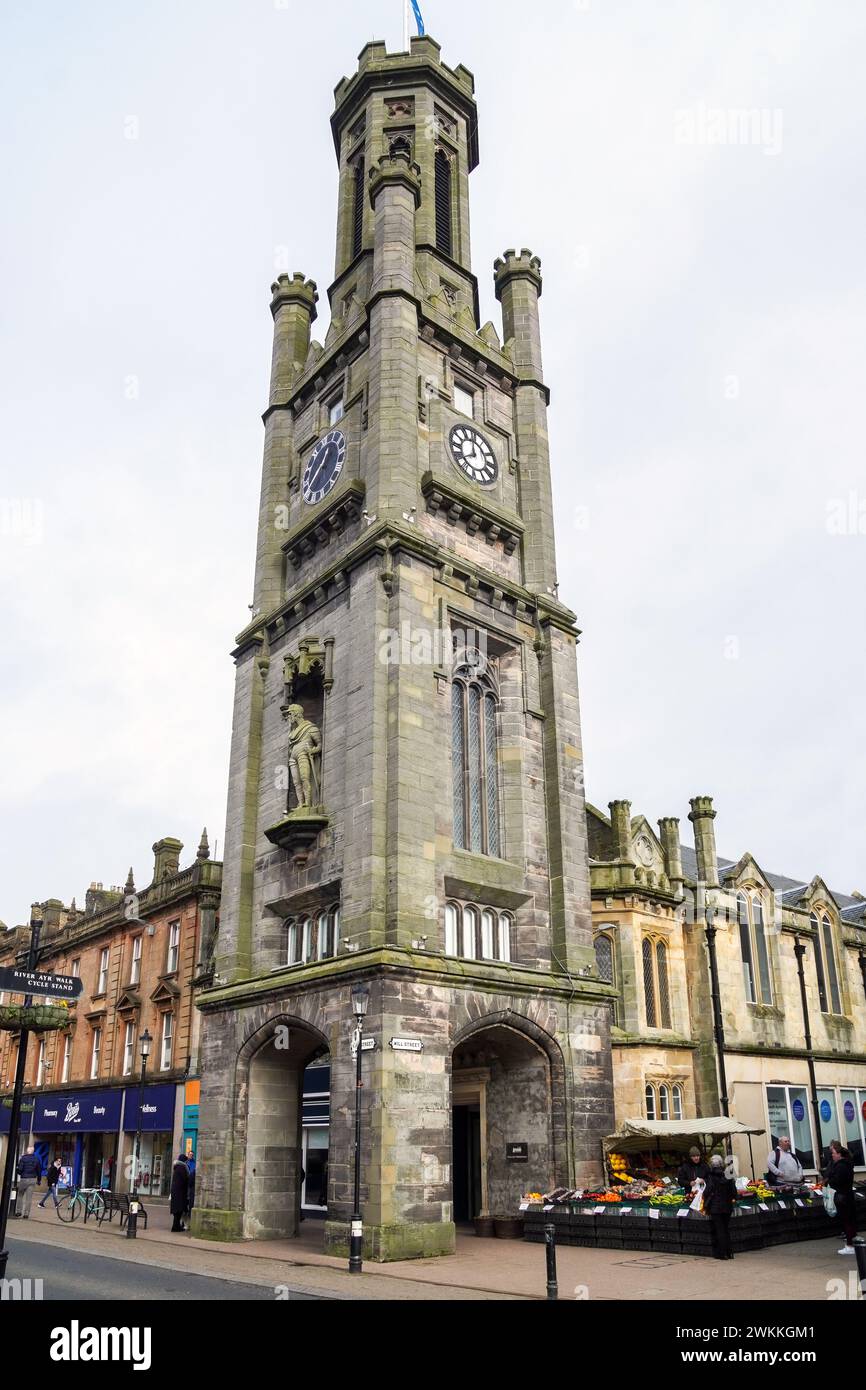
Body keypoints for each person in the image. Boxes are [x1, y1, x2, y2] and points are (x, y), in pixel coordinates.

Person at [824, 1140, 857, 1255]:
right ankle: (852, 1243)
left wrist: (829, 1180)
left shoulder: (841, 1166)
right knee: (849, 1221)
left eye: (833, 1153)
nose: (832, 1155)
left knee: (847, 1221)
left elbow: (837, 1181)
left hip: (843, 1196)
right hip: (847, 1195)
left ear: (839, 1154)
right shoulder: (847, 1164)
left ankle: (850, 1245)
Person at [704, 1153, 737, 1260]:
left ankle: (721, 1253)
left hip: (716, 1207)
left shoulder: (710, 1177)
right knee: (726, 1229)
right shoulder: (728, 1175)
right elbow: (734, 1192)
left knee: (719, 1229)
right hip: (727, 1206)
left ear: (712, 1165)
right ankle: (729, 1252)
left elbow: (707, 1191)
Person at [15, 1146, 43, 1219]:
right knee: (29, 1198)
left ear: (27, 1151)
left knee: (20, 1195)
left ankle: (18, 1211)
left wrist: (18, 1171)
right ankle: (26, 1214)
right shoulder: (37, 1159)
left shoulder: (23, 1158)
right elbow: (39, 1171)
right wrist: (39, 1180)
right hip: (32, 1179)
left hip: (24, 1179)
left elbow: (20, 1169)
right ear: (33, 1151)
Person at [170, 1153, 190, 1233]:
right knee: (179, 1210)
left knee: (177, 1211)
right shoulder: (182, 1168)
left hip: (176, 1192)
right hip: (180, 1193)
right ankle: (175, 1227)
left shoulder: (177, 1167)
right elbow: (184, 1180)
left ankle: (176, 1226)